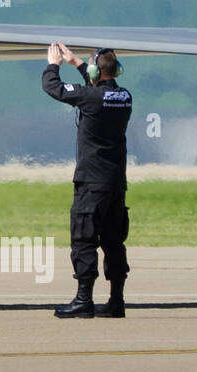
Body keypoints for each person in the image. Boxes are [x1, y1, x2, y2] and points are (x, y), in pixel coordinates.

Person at [41, 42, 132, 318]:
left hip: (91, 183)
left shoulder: (90, 98)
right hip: (116, 183)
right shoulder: (125, 97)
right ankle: (116, 300)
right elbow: (99, 91)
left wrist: (54, 64)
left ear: (95, 70)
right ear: (116, 70)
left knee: (84, 239)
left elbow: (52, 87)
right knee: (114, 242)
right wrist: (79, 64)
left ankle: (83, 300)